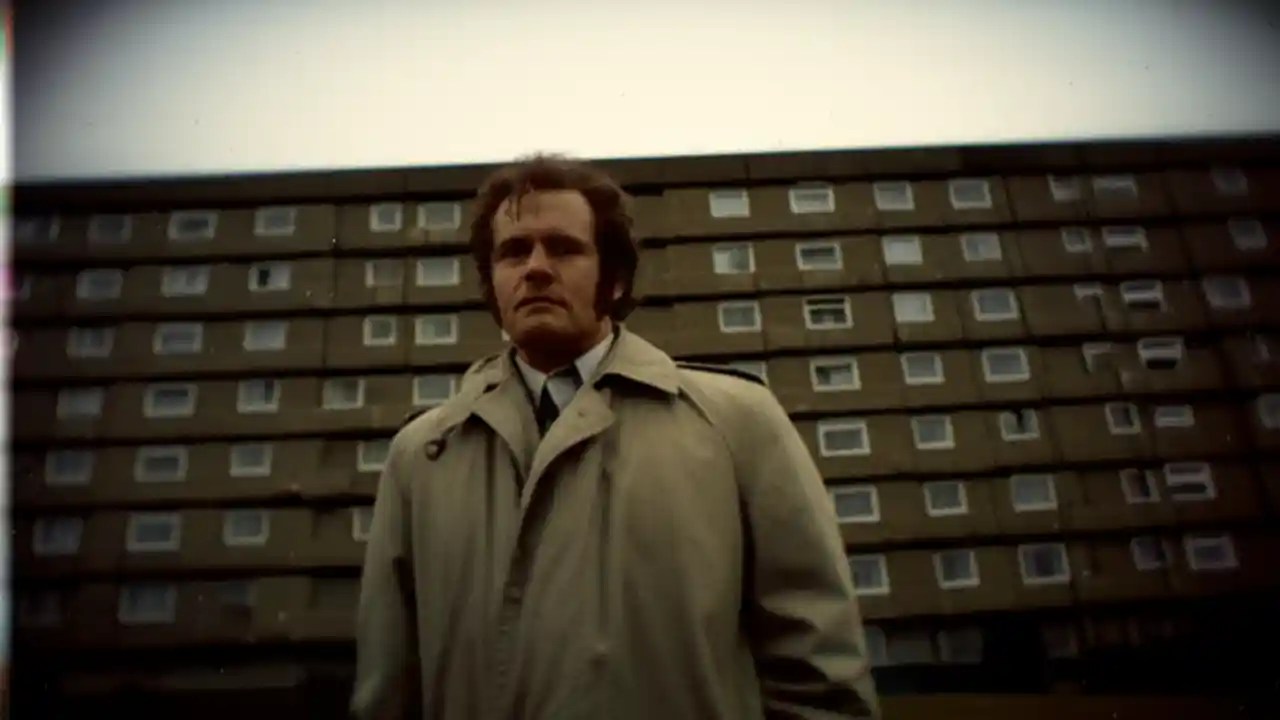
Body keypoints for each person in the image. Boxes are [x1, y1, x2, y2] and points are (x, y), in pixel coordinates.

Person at [350, 154, 880, 719]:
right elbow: (388, 684)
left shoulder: (736, 422)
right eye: (513, 251)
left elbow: (817, 664)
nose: (535, 268)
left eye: (563, 247)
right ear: (493, 282)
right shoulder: (422, 454)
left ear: (616, 277)